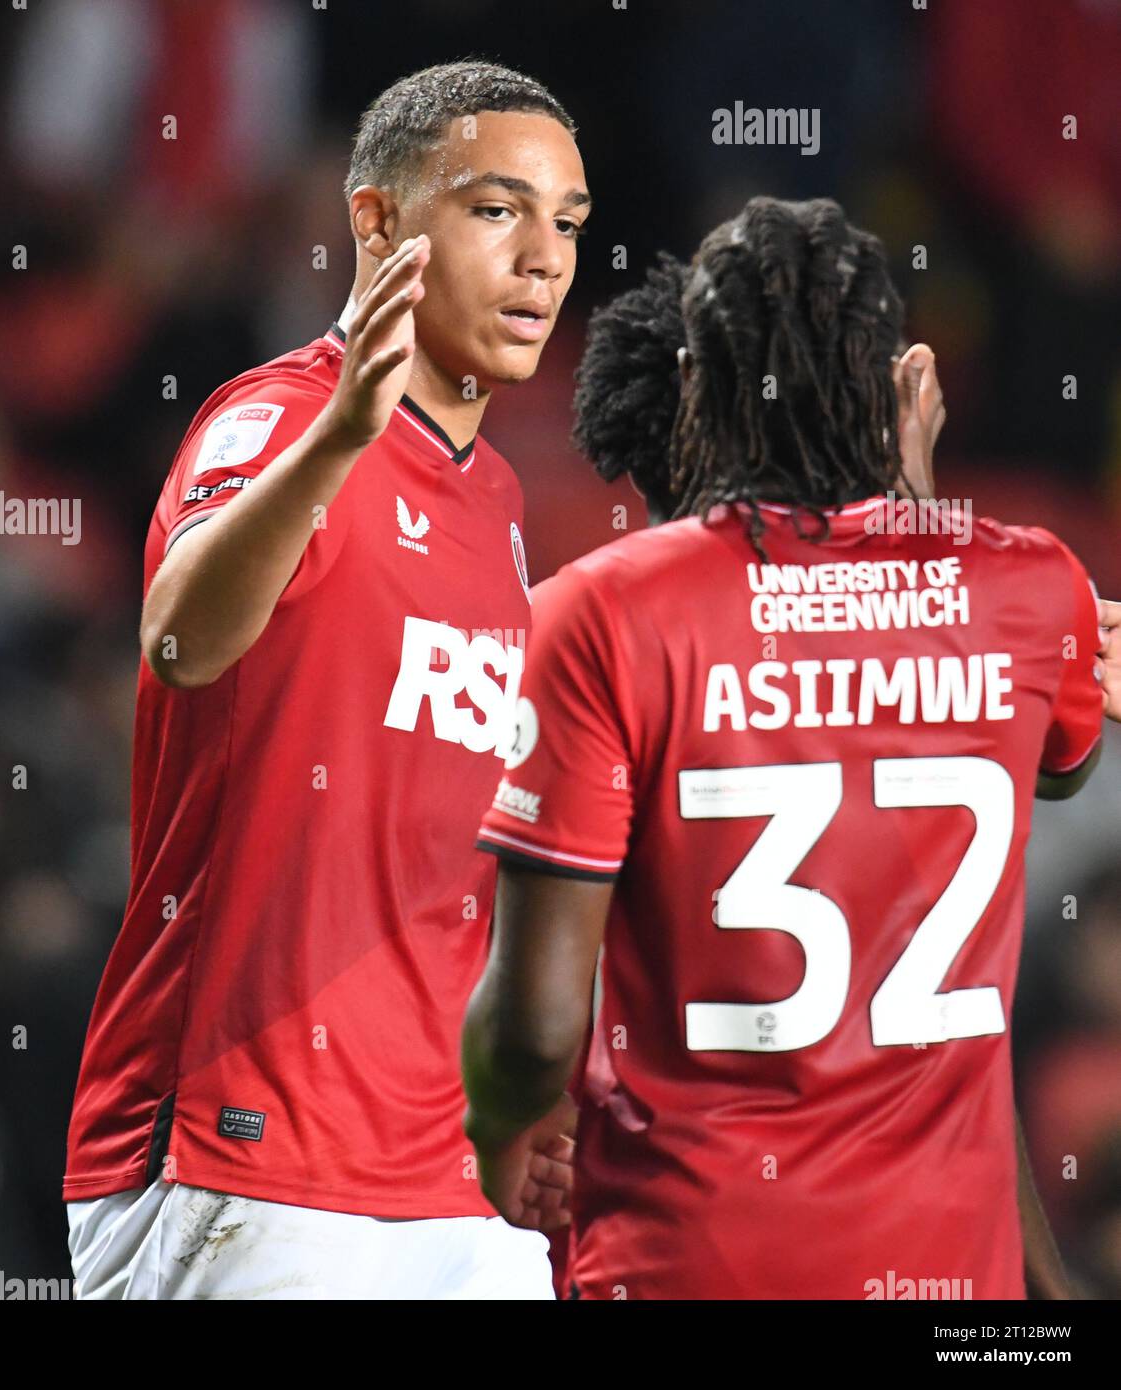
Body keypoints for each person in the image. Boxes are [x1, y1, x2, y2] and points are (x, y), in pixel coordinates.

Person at [462, 196, 1109, 1299]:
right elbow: (1062, 760)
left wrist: (497, 1133)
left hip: (687, 1260)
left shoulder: (602, 614)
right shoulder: (1027, 585)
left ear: (697, 395)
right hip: (949, 1278)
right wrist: (915, 527)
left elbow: (533, 1026)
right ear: (900, 386)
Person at [63, 60, 591, 1299]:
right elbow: (180, 638)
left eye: (567, 222)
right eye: (497, 208)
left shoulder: (502, 499)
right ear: (376, 221)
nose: (544, 259)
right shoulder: (270, 419)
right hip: (250, 1151)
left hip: (451, 1170)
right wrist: (338, 443)